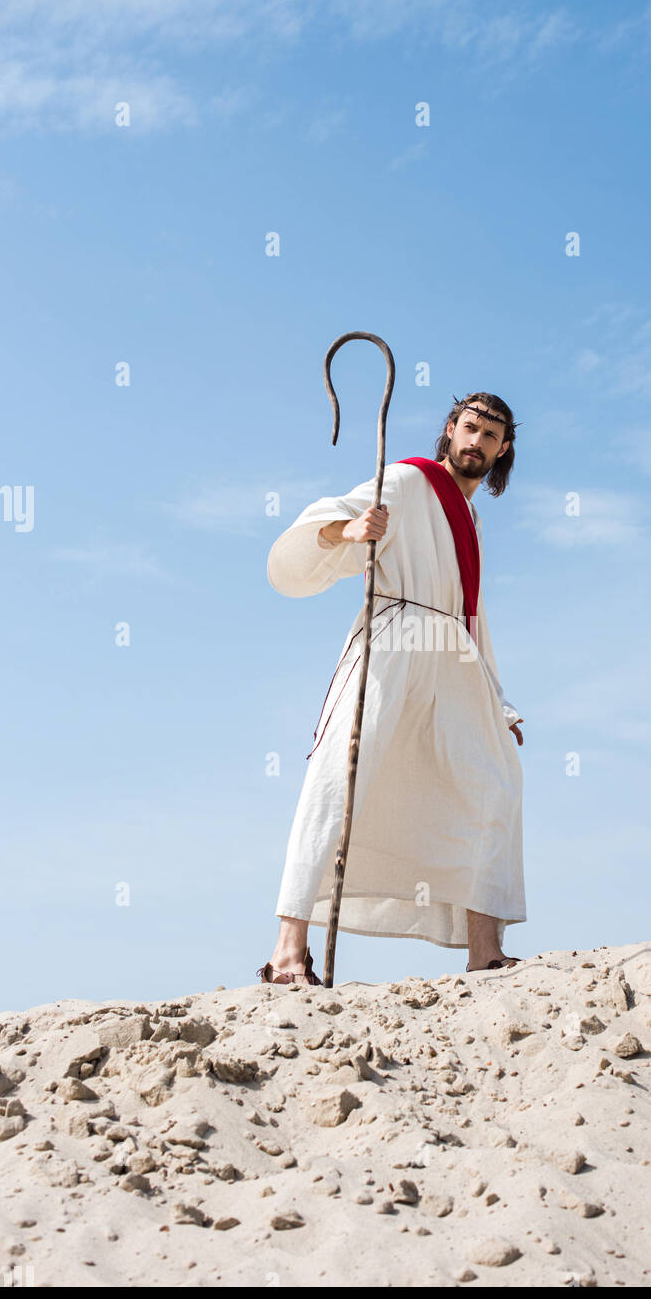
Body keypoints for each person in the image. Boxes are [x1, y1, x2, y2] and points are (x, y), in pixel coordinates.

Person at [256, 393, 527, 986]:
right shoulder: (407, 481)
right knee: (341, 776)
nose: (476, 441)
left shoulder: (472, 517)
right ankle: (287, 951)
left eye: (490, 435)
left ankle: (485, 949)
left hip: (454, 653)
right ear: (450, 430)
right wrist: (348, 529)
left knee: (492, 780)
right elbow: (320, 525)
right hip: (394, 635)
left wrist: (499, 704)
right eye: (469, 427)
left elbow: (472, 614)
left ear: (503, 448)